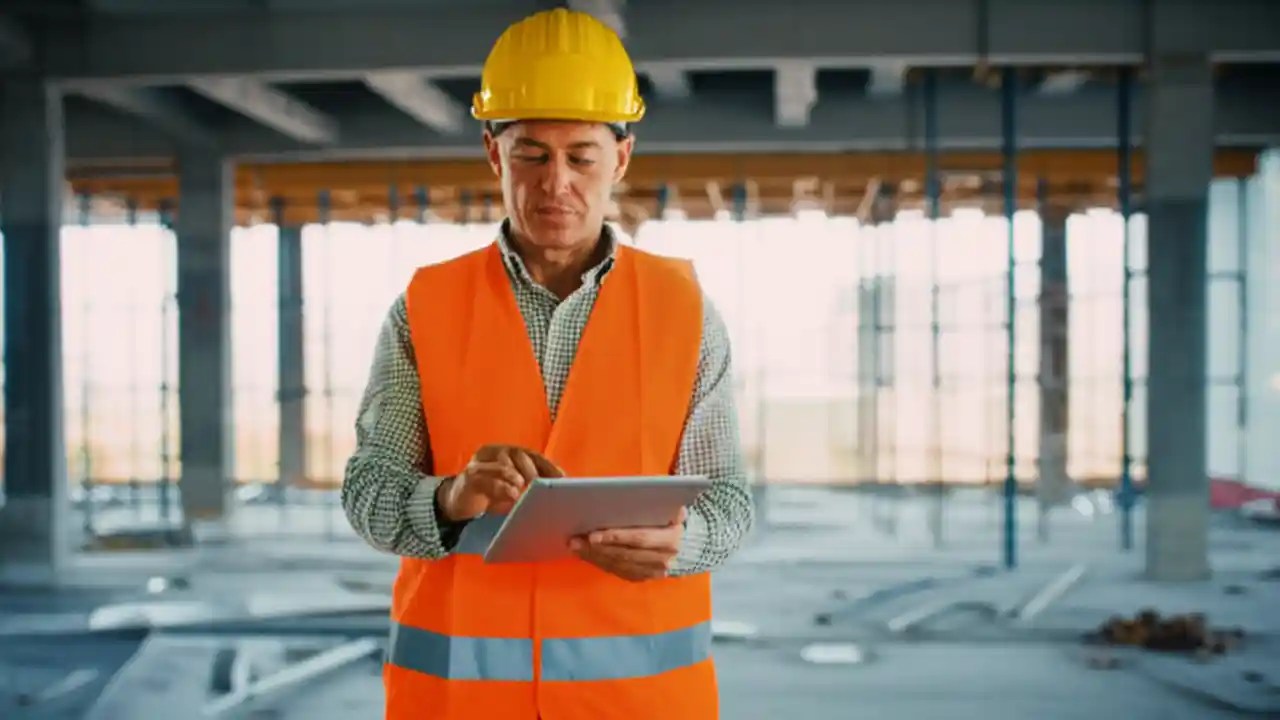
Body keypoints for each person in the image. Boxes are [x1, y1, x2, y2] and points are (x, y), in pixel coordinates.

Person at [341, 7, 754, 719]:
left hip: (639, 704)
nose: (555, 182)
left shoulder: (684, 309)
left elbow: (729, 501)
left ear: (620, 158)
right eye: (531, 154)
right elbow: (369, 491)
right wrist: (450, 497)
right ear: (495, 153)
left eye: (581, 157)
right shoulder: (425, 307)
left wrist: (681, 545)